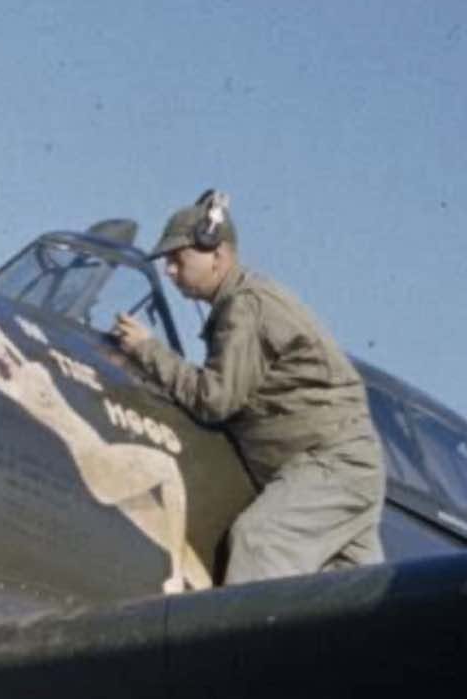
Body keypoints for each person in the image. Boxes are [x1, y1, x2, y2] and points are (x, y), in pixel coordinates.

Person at [108, 191, 386, 581]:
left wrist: (147, 350)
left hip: (330, 464)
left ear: (218, 255)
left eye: (178, 258)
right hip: (346, 467)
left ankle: (241, 647)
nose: (170, 270)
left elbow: (216, 399)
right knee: (349, 605)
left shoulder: (244, 305)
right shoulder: (246, 300)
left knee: (260, 542)